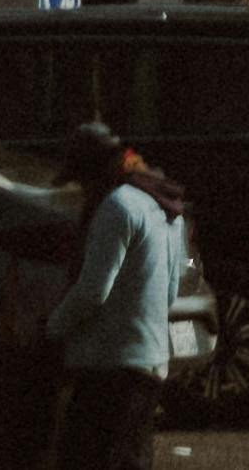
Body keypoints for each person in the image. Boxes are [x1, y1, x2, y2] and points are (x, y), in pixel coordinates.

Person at [45, 124, 183, 470]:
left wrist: (53, 326)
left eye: (80, 180)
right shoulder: (162, 203)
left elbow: (93, 291)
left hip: (111, 365)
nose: (81, 190)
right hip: (150, 361)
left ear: (93, 172)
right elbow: (171, 290)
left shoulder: (116, 207)